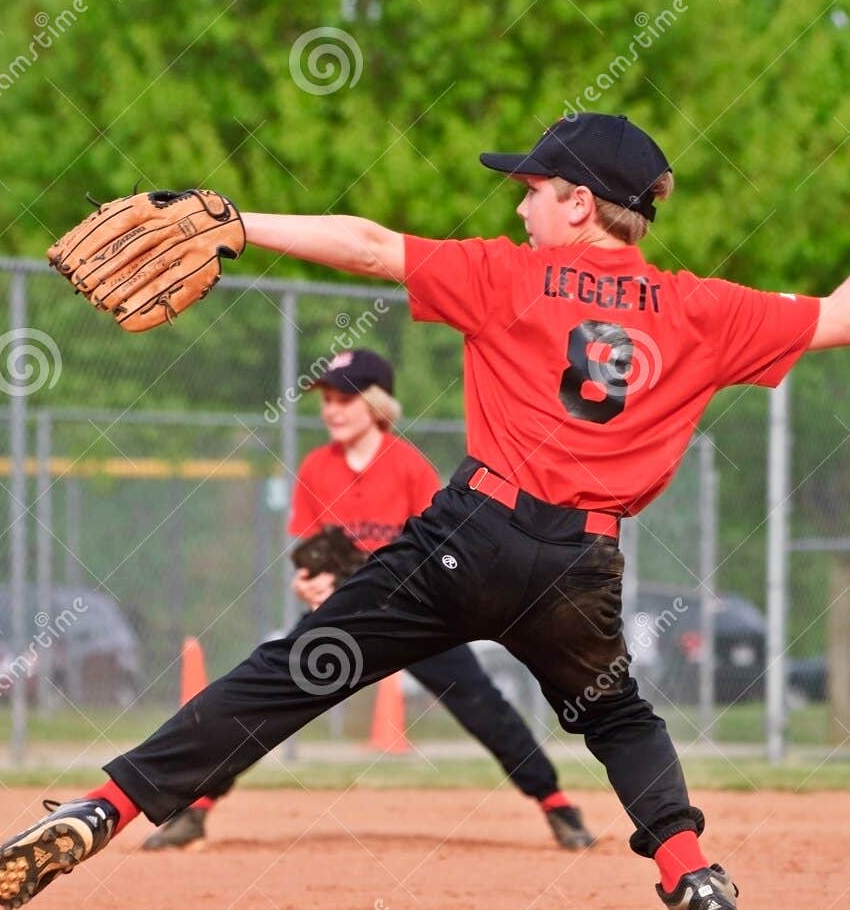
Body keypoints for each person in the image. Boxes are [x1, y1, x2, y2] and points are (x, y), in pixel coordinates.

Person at [0, 113, 850, 910]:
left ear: (579, 202)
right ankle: (691, 875)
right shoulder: (701, 308)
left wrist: (240, 221)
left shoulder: (510, 277)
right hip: (580, 565)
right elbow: (846, 318)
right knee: (616, 715)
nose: (520, 203)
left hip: (466, 538)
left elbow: (370, 246)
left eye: (532, 187)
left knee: (293, 670)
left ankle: (103, 806)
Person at [144, 347, 592, 852]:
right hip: (342, 610)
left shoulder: (407, 465)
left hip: (418, 611)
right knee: (265, 697)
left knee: (482, 705)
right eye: (328, 398)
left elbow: (440, 543)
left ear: (376, 404)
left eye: (345, 398)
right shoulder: (316, 468)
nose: (332, 409)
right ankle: (198, 807)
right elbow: (309, 551)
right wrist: (308, 585)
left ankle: (555, 803)